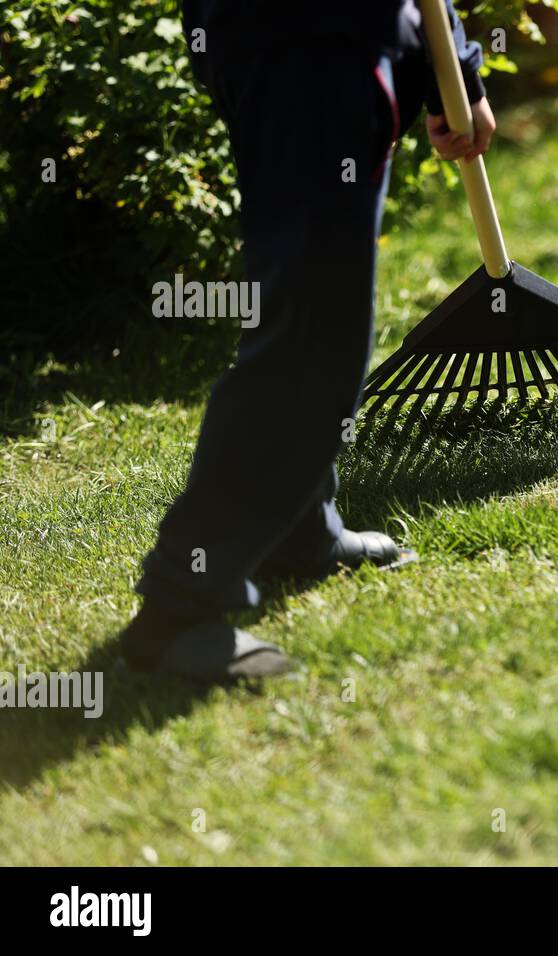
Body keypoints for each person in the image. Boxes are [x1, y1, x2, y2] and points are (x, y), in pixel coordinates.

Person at [119, 0, 495, 681]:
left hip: (314, 40)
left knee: (304, 300)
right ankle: (178, 608)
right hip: (308, 45)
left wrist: (452, 69)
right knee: (311, 336)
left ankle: (298, 528)